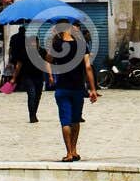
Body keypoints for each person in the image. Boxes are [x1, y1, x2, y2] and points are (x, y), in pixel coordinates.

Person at [45, 19, 98, 162]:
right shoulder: (82, 45)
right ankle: (74, 151)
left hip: (62, 88)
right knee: (75, 120)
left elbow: (47, 60)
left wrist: (50, 75)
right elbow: (88, 67)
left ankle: (68, 153)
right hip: (78, 89)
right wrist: (92, 89)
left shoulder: (56, 45)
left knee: (65, 122)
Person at [8, 24, 46, 123]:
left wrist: (49, 75)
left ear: (38, 43)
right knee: (32, 95)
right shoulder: (24, 52)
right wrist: (13, 78)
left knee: (37, 97)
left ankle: (34, 113)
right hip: (28, 77)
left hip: (39, 77)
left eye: (35, 43)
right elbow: (19, 66)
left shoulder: (42, 52)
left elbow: (47, 64)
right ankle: (32, 116)